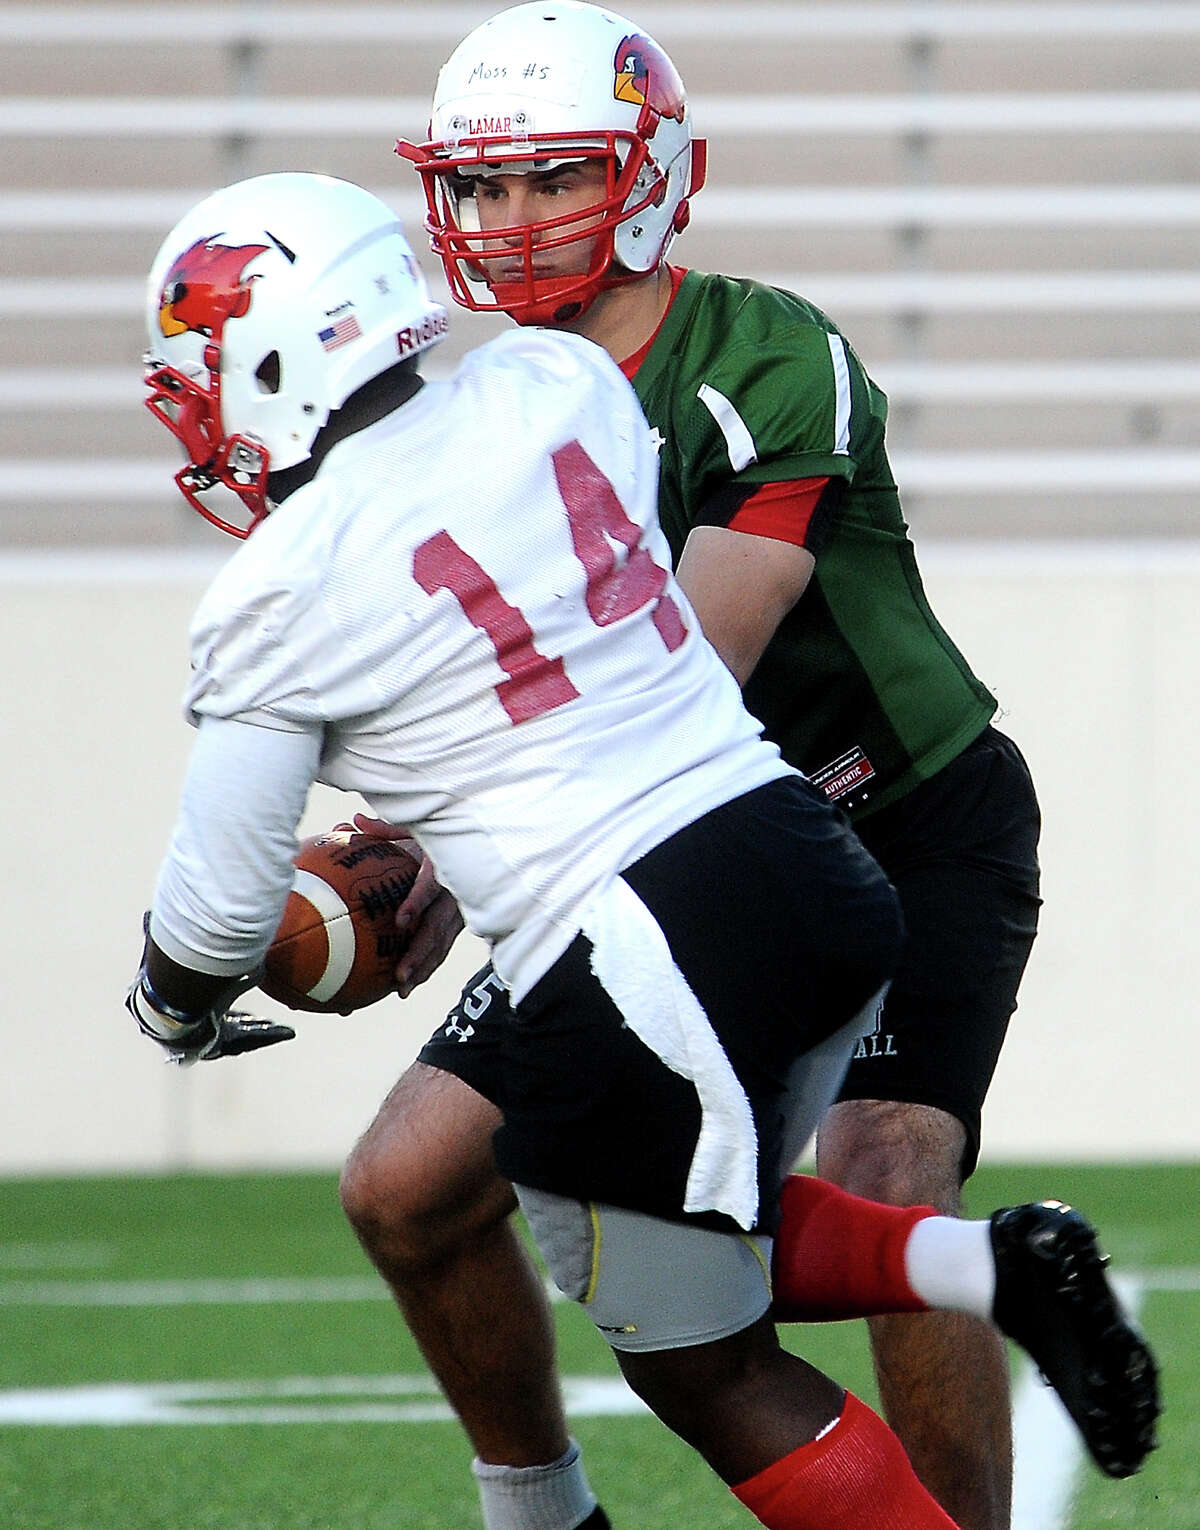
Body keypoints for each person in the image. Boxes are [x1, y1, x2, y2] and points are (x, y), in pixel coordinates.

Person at [128, 173, 1156, 1530]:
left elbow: (213, 911)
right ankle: (991, 1269)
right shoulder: (556, 395)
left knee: (699, 1352)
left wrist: (177, 1002)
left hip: (642, 931)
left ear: (271, 360)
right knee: (635, 1224)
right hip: (796, 852)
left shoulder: (270, 597)